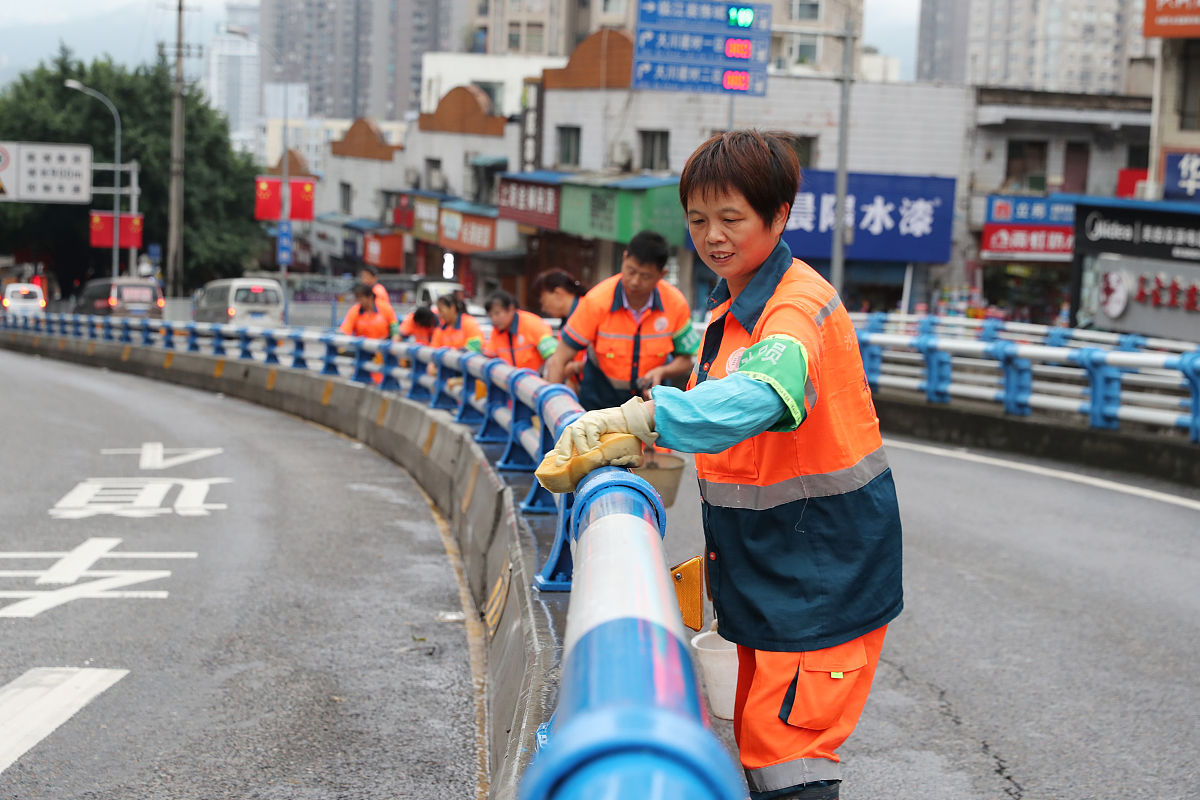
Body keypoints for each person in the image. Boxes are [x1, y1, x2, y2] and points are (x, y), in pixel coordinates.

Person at [548, 131, 903, 800]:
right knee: (761, 745)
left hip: (818, 574)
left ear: (779, 215)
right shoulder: (731, 305)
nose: (712, 236)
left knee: (790, 760)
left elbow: (762, 394)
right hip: (771, 569)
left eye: (731, 218)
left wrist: (641, 418)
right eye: (698, 219)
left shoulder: (793, 307)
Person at [543, 230, 700, 410]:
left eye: (645, 276)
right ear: (624, 259)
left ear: (661, 274)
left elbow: (686, 359)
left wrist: (662, 371)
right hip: (599, 404)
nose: (635, 281)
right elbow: (558, 360)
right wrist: (552, 409)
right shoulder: (596, 301)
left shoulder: (675, 304)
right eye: (631, 271)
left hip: (648, 407)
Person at [532, 269, 588, 383]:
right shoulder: (566, 321)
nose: (544, 308)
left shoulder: (588, 311)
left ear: (558, 293)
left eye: (544, 301)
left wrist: (575, 367)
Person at [482, 290, 557, 371]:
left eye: (497, 313)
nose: (494, 319)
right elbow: (488, 358)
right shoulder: (496, 332)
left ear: (511, 309)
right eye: (490, 315)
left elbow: (552, 355)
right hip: (511, 377)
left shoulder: (532, 324)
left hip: (536, 377)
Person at [339, 283, 398, 384]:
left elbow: (394, 327)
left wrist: (395, 339)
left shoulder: (385, 308)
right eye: (357, 298)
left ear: (370, 297)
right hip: (363, 354)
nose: (359, 302)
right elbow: (345, 329)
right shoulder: (355, 311)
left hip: (383, 353)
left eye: (361, 298)